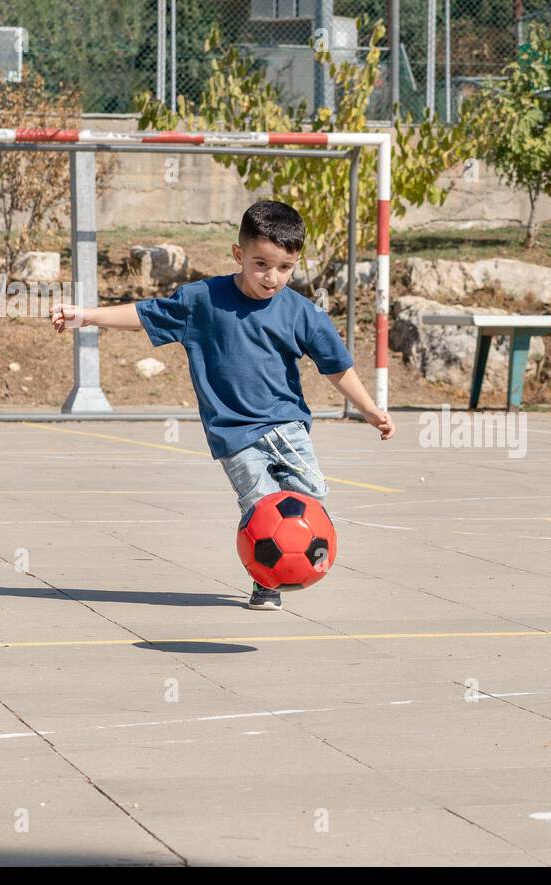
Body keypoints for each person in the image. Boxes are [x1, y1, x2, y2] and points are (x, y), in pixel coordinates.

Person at [50, 200, 394, 610]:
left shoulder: (302, 313)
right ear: (238, 255)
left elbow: (336, 367)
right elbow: (146, 314)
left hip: (286, 427)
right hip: (234, 436)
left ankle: (298, 558)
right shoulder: (203, 301)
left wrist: (369, 409)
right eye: (261, 264)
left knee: (310, 495)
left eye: (285, 267)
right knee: (259, 504)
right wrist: (87, 316)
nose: (272, 277)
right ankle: (267, 580)